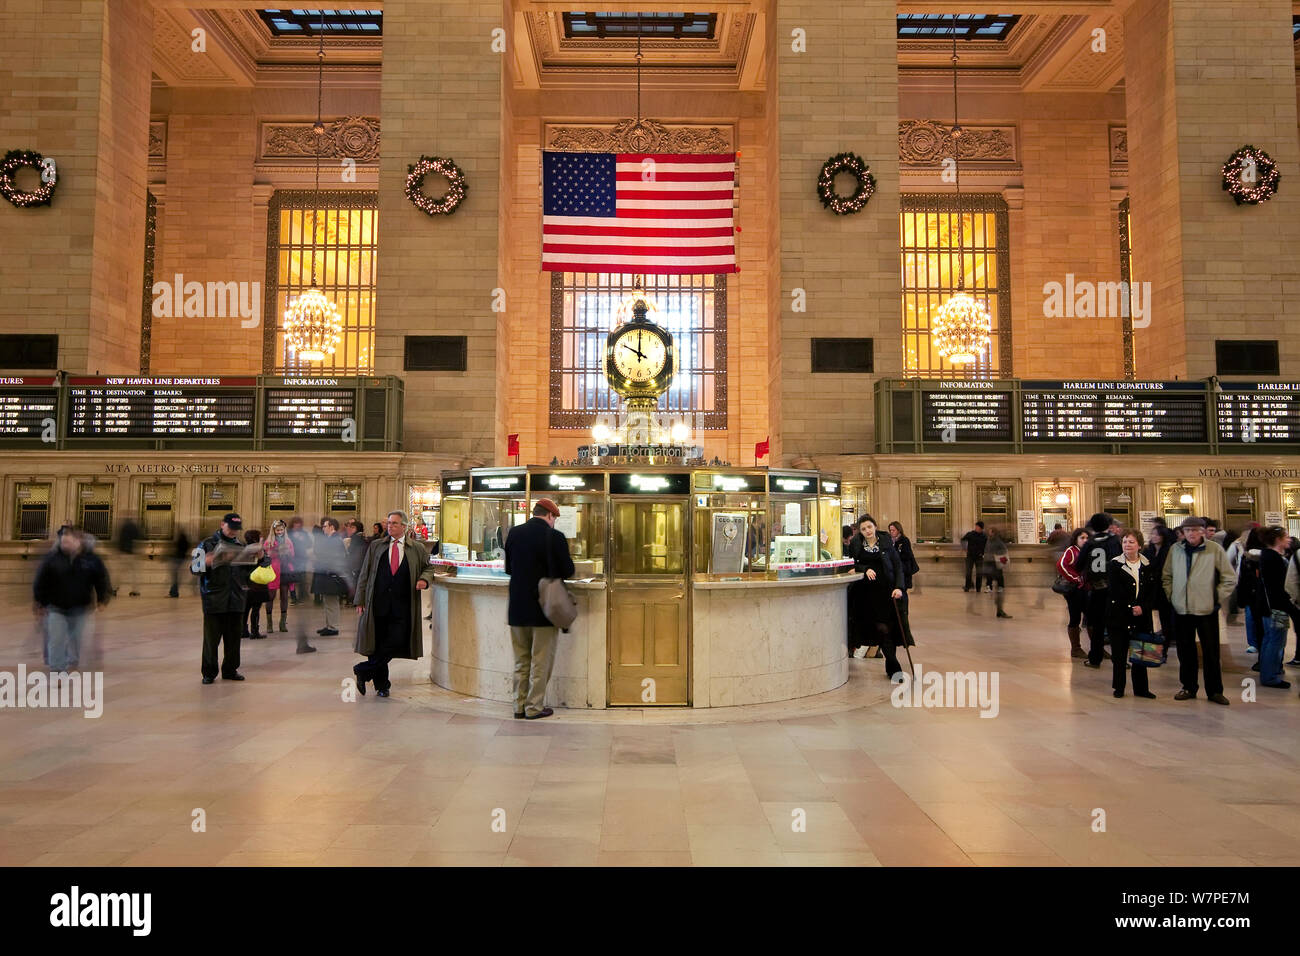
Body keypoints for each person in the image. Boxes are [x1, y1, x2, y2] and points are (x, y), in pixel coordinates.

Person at [503, 498, 575, 719]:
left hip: (517, 607)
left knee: (520, 660)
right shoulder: (554, 537)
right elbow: (568, 570)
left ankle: (518, 706)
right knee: (540, 661)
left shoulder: (514, 533)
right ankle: (534, 707)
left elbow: (508, 568)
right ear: (550, 516)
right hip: (544, 609)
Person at [352, 510, 436, 698]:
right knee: (376, 643)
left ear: (405, 527)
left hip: (403, 605)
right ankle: (382, 685)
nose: (390, 526)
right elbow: (365, 573)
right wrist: (360, 599)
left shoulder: (416, 549)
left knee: (396, 641)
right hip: (378, 603)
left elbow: (428, 567)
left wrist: (424, 579)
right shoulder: (376, 546)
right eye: (389, 523)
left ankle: (363, 670)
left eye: (395, 523)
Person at [1162, 516, 1235, 705]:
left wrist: (1215, 597)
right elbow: (1167, 575)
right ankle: (1188, 686)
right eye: (1187, 531)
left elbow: (1229, 578)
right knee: (1185, 652)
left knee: (1211, 652)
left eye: (1195, 530)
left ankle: (1214, 691)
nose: (1191, 534)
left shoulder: (1214, 549)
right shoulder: (1175, 549)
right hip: (1182, 610)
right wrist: (1173, 596)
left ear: (1202, 531)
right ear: (1183, 533)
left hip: (1206, 610)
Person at [33, 528, 111, 672]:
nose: (64, 544)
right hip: (56, 606)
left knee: (76, 639)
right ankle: (57, 668)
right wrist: (40, 602)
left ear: (78, 542)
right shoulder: (52, 558)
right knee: (56, 639)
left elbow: (101, 579)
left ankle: (73, 662)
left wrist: (102, 599)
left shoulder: (91, 560)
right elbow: (40, 580)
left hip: (80, 607)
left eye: (68, 541)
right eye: (63, 541)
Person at [195, 513, 252, 685]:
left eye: (237, 529)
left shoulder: (240, 546)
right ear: (222, 525)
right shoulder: (206, 544)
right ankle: (209, 672)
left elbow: (246, 573)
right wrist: (208, 561)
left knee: (234, 639)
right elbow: (195, 568)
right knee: (212, 640)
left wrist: (259, 558)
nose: (234, 532)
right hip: (214, 598)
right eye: (231, 528)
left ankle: (230, 669)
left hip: (236, 598)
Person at [847, 514, 906, 677]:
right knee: (873, 630)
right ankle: (892, 666)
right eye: (864, 529)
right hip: (865, 595)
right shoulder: (856, 544)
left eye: (870, 527)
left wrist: (899, 587)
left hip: (885, 593)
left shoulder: (886, 543)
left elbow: (898, 566)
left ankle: (894, 667)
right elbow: (851, 564)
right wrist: (864, 569)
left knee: (886, 629)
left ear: (875, 526)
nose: (867, 531)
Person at [1106, 529, 1158, 699]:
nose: (1127, 545)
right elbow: (1115, 591)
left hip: (1141, 617)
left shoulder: (1148, 565)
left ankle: (1141, 688)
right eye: (1125, 542)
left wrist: (1143, 607)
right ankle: (1119, 687)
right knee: (1119, 655)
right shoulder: (1114, 565)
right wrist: (1130, 607)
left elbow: (1152, 592)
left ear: (1139, 545)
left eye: (1131, 542)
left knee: (1140, 653)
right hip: (1119, 615)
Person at [1079, 512, 1121, 668]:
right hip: (1112, 589)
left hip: (1095, 589)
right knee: (1114, 626)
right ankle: (1119, 659)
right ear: (1108, 525)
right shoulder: (1114, 541)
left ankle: (1095, 658)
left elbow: (1079, 564)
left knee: (1096, 626)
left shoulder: (1089, 543)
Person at [1254, 526, 1294, 690]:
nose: (1289, 539)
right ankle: (1270, 676)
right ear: (1278, 540)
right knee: (1276, 640)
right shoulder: (1275, 559)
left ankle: (1269, 670)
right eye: (1286, 537)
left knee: (1270, 639)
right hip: (1276, 607)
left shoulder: (1268, 556)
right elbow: (1278, 587)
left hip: (1269, 606)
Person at [312, 517, 352, 637]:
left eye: (324, 526)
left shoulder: (334, 539)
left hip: (332, 575)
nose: (323, 528)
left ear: (331, 527)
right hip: (327, 574)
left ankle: (333, 627)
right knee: (328, 601)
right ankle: (329, 625)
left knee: (332, 602)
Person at [1055, 528, 1089, 658]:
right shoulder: (1071, 551)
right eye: (1082, 538)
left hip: (1086, 589)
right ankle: (1076, 648)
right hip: (1074, 590)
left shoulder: (1087, 551)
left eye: (1087, 538)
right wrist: (1075, 578)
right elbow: (1061, 565)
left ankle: (1097, 647)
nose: (1085, 540)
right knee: (1075, 617)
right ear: (1076, 539)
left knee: (1091, 618)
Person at [1234, 526, 1265, 656]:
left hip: (1250, 593)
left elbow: (1241, 575)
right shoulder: (1266, 554)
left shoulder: (1246, 555)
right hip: (1261, 594)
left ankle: (1253, 643)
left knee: (1251, 618)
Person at [263, 519, 294, 631]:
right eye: (277, 530)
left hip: (285, 570)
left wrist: (287, 552)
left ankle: (282, 623)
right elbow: (265, 557)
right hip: (273, 571)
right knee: (270, 596)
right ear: (274, 530)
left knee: (284, 596)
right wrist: (273, 553)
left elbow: (293, 557)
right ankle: (269, 623)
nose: (280, 532)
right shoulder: (269, 542)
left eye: (281, 530)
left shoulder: (288, 542)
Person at [241, 529, 271, 640]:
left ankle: (243, 631)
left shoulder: (244, 550)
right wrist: (261, 545)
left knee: (245, 609)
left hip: (246, 583)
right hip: (257, 584)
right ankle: (255, 632)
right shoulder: (258, 550)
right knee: (255, 609)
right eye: (260, 535)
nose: (262, 536)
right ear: (255, 538)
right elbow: (264, 561)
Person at [982, 528, 1012, 618]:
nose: (989, 532)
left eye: (990, 531)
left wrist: (994, 554)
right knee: (996, 586)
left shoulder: (997, 541)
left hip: (995, 563)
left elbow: (1003, 550)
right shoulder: (988, 540)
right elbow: (986, 550)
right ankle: (999, 609)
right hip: (989, 563)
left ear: (994, 533)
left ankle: (999, 609)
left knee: (999, 586)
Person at [285, 516, 311, 605]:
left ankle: (302, 596)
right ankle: (293, 597)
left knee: (302, 578)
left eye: (299, 524)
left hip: (301, 558)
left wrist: (303, 541)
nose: (297, 526)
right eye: (296, 524)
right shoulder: (288, 533)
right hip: (291, 558)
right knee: (291, 579)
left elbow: (309, 544)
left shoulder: (304, 533)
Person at [115, 513, 143, 597]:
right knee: (135, 573)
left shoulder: (123, 527)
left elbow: (120, 540)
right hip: (132, 553)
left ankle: (114, 588)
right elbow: (139, 537)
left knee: (120, 572)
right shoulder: (134, 527)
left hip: (124, 553)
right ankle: (135, 590)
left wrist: (119, 550)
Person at [961, 521, 987, 592]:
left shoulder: (984, 536)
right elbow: (963, 540)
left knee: (979, 573)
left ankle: (978, 588)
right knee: (968, 572)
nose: (976, 528)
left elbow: (987, 546)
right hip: (970, 556)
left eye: (977, 527)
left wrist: (983, 553)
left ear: (981, 528)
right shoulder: (970, 534)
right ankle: (967, 587)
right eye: (976, 526)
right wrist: (965, 548)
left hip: (979, 557)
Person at [168, 527, 191, 598]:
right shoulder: (185, 540)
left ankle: (174, 592)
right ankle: (173, 591)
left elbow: (177, 550)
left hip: (177, 560)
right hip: (181, 559)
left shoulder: (180, 540)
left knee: (175, 577)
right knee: (176, 577)